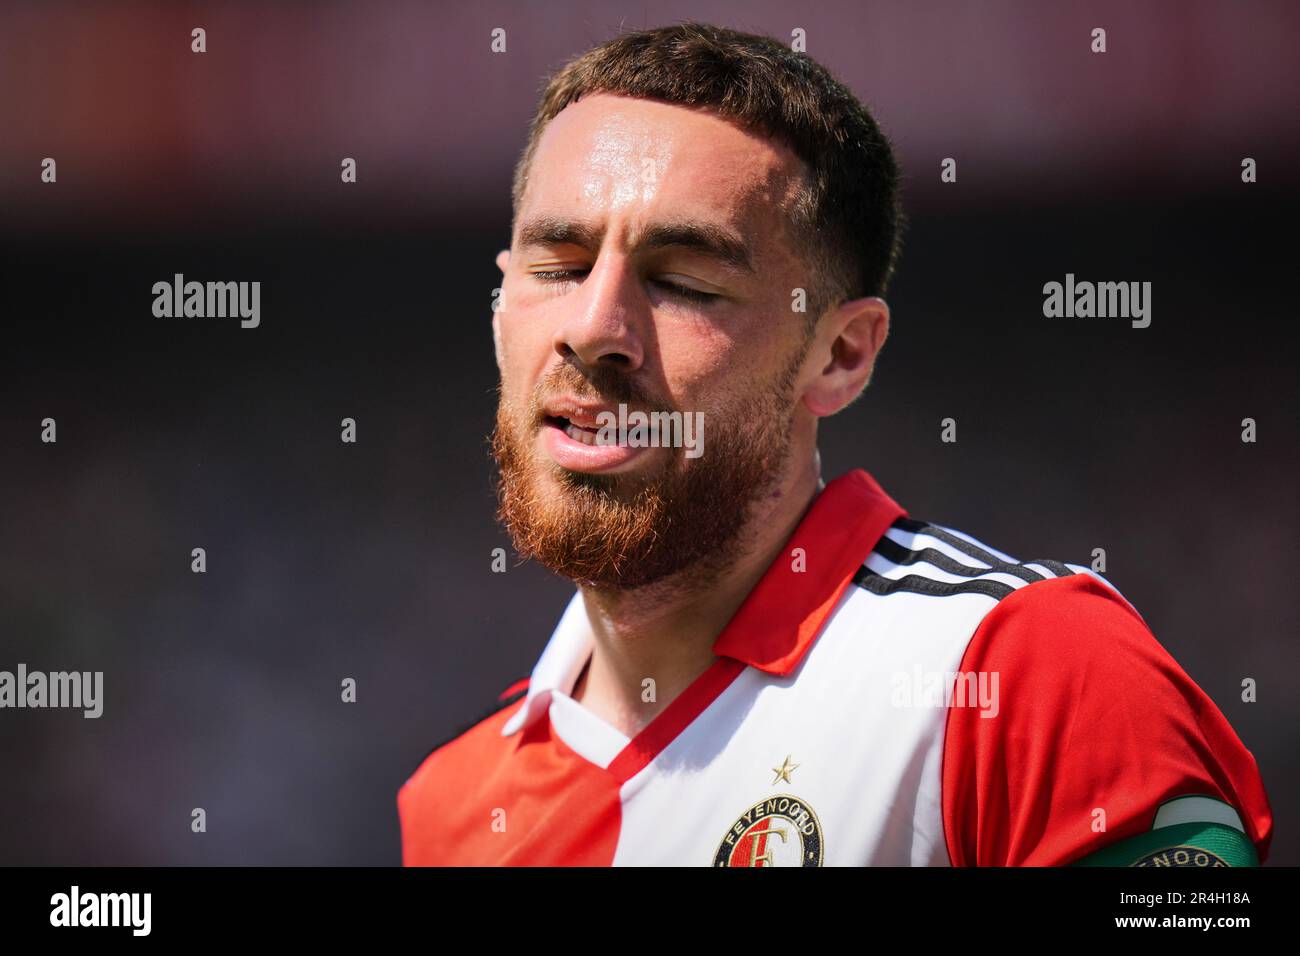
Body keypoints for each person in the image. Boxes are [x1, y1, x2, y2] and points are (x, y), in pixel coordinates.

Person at [398, 22, 1272, 866]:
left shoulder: (1027, 671)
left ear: (841, 354)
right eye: (558, 265)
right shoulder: (453, 806)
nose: (596, 329)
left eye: (683, 282)